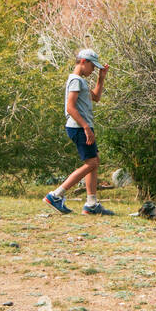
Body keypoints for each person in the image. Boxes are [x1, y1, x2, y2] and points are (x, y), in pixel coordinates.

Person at [43, 48, 115, 215]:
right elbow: (70, 107)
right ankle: (56, 195)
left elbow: (96, 97)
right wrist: (86, 127)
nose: (93, 70)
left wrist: (101, 78)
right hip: (78, 127)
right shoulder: (75, 80)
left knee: (94, 159)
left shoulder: (80, 81)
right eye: (92, 67)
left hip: (82, 126)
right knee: (91, 163)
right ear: (84, 62)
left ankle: (91, 204)